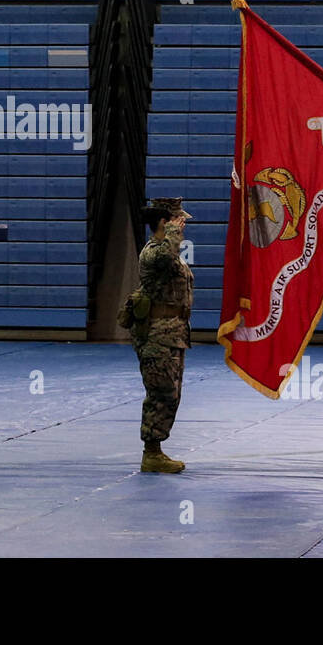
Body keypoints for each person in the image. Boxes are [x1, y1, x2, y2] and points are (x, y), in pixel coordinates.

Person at [132, 198, 194, 474]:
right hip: (158, 335)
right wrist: (171, 234)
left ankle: (155, 450)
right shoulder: (154, 251)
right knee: (161, 392)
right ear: (163, 223)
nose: (182, 226)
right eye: (176, 221)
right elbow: (165, 258)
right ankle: (151, 453)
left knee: (171, 393)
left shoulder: (169, 250)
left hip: (172, 333)